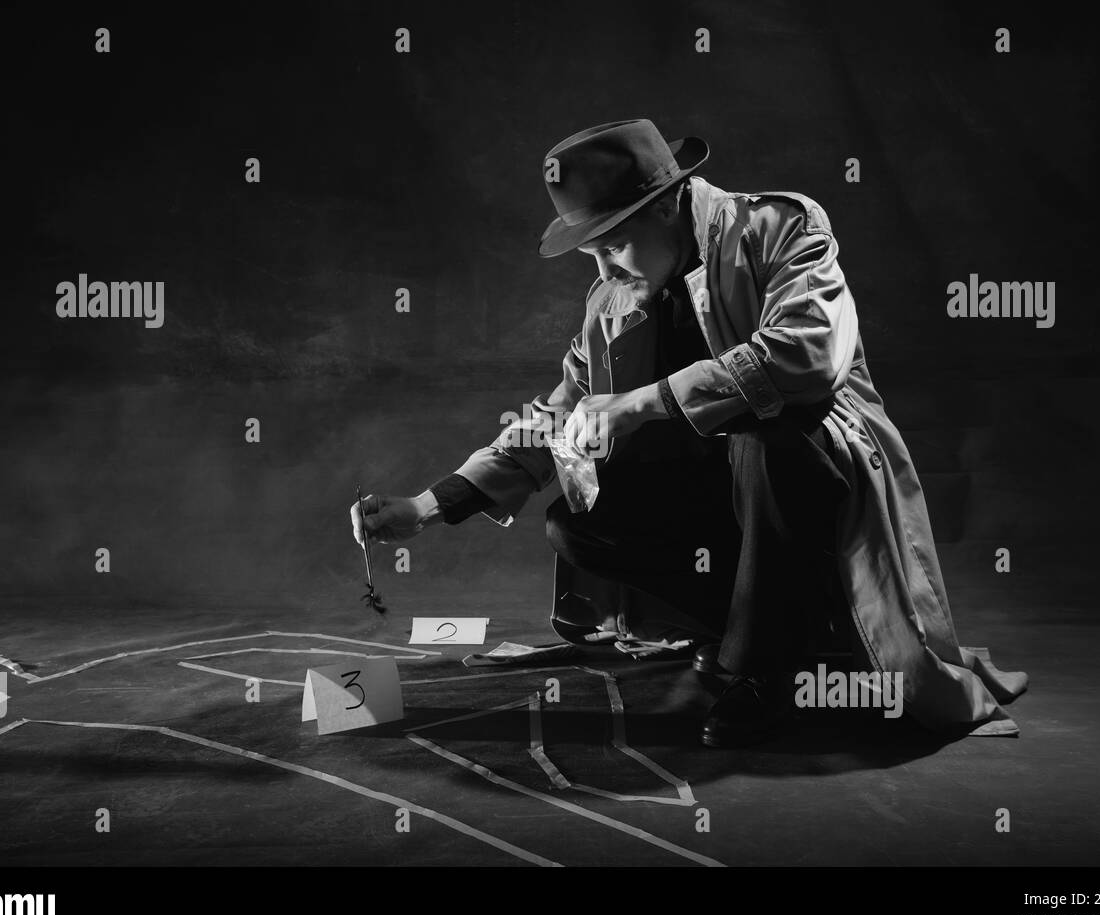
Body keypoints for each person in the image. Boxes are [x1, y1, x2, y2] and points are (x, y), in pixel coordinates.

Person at [351, 118, 1028, 747]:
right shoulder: (612, 300)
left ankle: (770, 674)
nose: (606, 272)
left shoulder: (780, 228)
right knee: (578, 524)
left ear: (668, 204)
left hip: (814, 478)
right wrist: (426, 506)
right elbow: (555, 414)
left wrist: (640, 403)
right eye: (592, 254)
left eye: (613, 245)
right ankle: (751, 630)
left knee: (772, 441)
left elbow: (808, 355)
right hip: (722, 515)